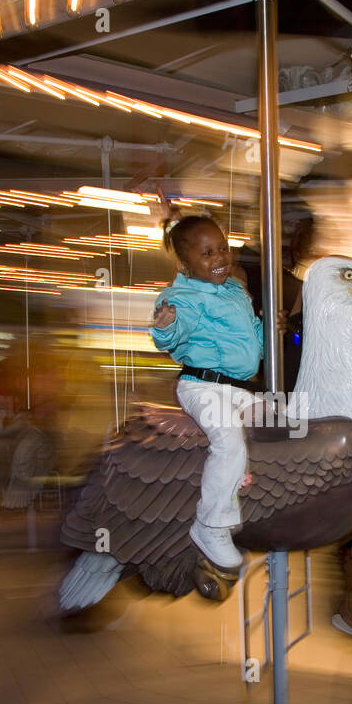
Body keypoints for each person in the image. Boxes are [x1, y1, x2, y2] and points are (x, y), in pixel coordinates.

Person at [150, 215, 266, 572]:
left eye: (223, 249)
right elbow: (173, 333)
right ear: (185, 263)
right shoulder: (180, 297)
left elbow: (252, 340)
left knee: (285, 424)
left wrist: (268, 329)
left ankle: (241, 481)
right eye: (207, 253)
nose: (219, 258)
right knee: (228, 440)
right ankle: (210, 525)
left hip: (239, 388)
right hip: (203, 386)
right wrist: (167, 327)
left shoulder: (233, 291)